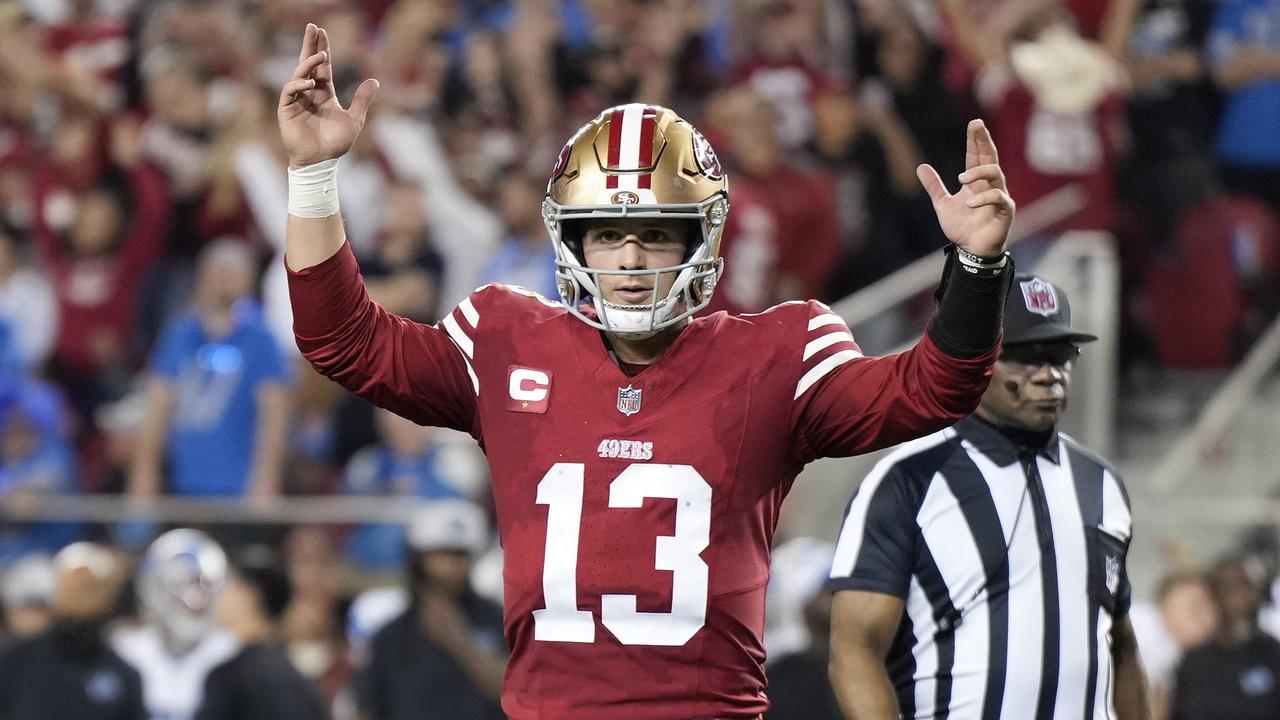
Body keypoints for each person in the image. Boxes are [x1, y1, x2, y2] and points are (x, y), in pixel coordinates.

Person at [280, 20, 1016, 718]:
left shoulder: (774, 353)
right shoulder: (506, 339)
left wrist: (978, 267)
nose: (630, 261)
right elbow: (342, 340)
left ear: (701, 239)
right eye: (606, 235)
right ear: (572, 244)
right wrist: (313, 175)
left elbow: (934, 388)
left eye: (656, 235)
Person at [828, 275, 1150, 719]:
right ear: (977, 358)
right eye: (1021, 357)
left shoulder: (1102, 484)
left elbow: (1122, 645)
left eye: (1058, 356)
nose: (1048, 375)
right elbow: (855, 649)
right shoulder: (908, 480)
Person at [129, 239, 292, 500]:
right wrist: (145, 474)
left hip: (238, 486)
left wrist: (265, 478)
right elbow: (158, 405)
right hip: (184, 483)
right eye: (215, 274)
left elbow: (273, 412)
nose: (221, 284)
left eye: (230, 275)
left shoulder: (260, 338)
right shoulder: (181, 334)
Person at [355, 499, 506, 720]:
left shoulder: (497, 619)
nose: (450, 567)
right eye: (440, 554)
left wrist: (461, 643)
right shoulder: (391, 636)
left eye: (459, 554)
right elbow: (367, 708)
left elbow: (517, 693)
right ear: (417, 560)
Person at [0, 542, 146, 720]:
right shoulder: (14, 662)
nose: (81, 597)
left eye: (91, 588)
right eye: (73, 585)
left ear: (109, 596)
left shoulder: (124, 676)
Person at [111, 529, 239, 720]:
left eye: (203, 584)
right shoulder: (126, 649)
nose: (194, 598)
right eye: (182, 584)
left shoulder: (230, 651)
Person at [194, 548, 328, 720]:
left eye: (231, 587)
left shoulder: (232, 677)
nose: (220, 597)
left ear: (249, 596)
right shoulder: (298, 678)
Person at [1170, 557, 1280, 720]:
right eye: (1230, 591)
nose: (1243, 601)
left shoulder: (1274, 654)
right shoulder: (1193, 663)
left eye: (1248, 589)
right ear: (1214, 600)